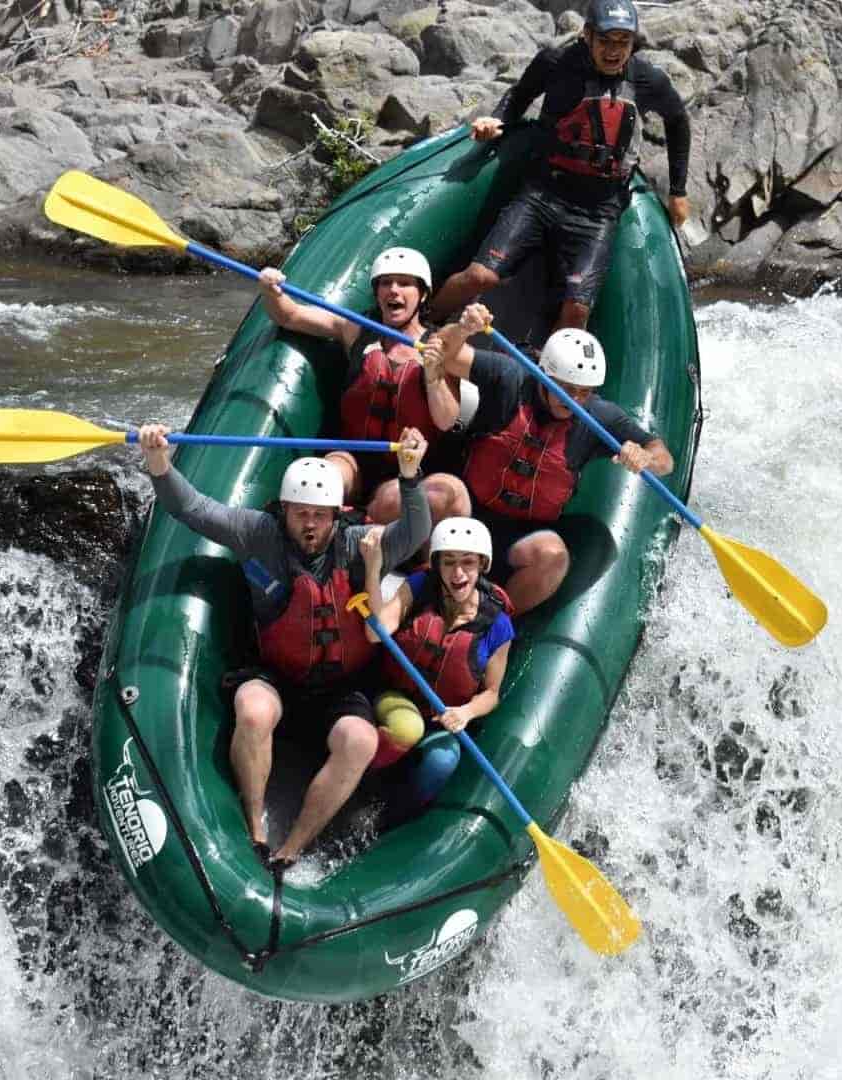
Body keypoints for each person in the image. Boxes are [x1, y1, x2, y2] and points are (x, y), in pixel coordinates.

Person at [139, 423, 434, 868]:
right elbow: (193, 508)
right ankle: (255, 831)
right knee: (254, 711)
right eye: (300, 513)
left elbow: (414, 531)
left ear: (337, 515)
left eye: (319, 515)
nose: (310, 524)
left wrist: (410, 477)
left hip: (339, 688)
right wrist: (158, 463)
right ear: (285, 510)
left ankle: (292, 848)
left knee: (360, 741)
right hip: (276, 677)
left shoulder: (359, 544)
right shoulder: (257, 532)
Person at [430, 0, 692, 332]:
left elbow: (678, 121)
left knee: (578, 309)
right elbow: (519, 95)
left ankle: (553, 380)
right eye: (606, 41)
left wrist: (678, 192)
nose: (614, 51)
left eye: (623, 42)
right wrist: (496, 120)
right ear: (587, 36)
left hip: (600, 211)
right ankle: (424, 322)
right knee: (480, 276)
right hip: (542, 195)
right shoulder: (556, 62)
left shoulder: (647, 79)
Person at [440, 316, 673, 613]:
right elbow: (444, 354)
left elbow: (665, 459)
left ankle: (493, 622)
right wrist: (463, 328)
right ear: (545, 376)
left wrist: (646, 458)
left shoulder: (598, 417)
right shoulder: (509, 377)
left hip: (520, 539)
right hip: (469, 512)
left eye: (584, 391)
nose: (575, 399)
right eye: (567, 388)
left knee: (553, 555)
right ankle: (427, 585)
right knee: (441, 491)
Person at [256, 248, 472, 525]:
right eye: (385, 283)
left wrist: (433, 376)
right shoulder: (355, 329)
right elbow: (290, 316)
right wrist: (270, 290)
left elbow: (446, 420)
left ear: (423, 294)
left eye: (405, 283)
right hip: (355, 462)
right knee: (321, 477)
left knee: (440, 494)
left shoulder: (438, 345)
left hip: (414, 468)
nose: (394, 290)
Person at [359, 516, 515, 829]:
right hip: (393, 695)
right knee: (407, 727)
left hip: (442, 717)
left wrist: (467, 712)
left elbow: (491, 693)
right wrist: (373, 569)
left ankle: (389, 823)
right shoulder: (419, 587)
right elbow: (376, 633)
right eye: (449, 562)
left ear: (482, 565)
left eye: (468, 563)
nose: (458, 573)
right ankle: (356, 787)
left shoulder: (498, 625)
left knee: (443, 759)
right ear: (437, 565)